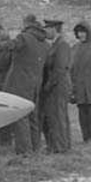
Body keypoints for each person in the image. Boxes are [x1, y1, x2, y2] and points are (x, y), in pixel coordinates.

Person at [1, 14, 48, 154]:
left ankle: (24, 151)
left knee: (20, 116)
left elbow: (11, 45)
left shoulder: (24, 37)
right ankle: (35, 148)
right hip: (35, 86)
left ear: (27, 23)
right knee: (33, 117)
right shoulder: (44, 43)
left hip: (20, 83)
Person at [38, 19, 73, 152]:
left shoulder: (62, 45)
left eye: (47, 28)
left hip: (58, 86)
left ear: (54, 29)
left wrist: (48, 85)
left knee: (58, 116)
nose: (45, 31)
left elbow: (59, 69)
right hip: (56, 85)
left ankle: (60, 147)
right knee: (56, 116)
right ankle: (59, 146)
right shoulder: (55, 45)